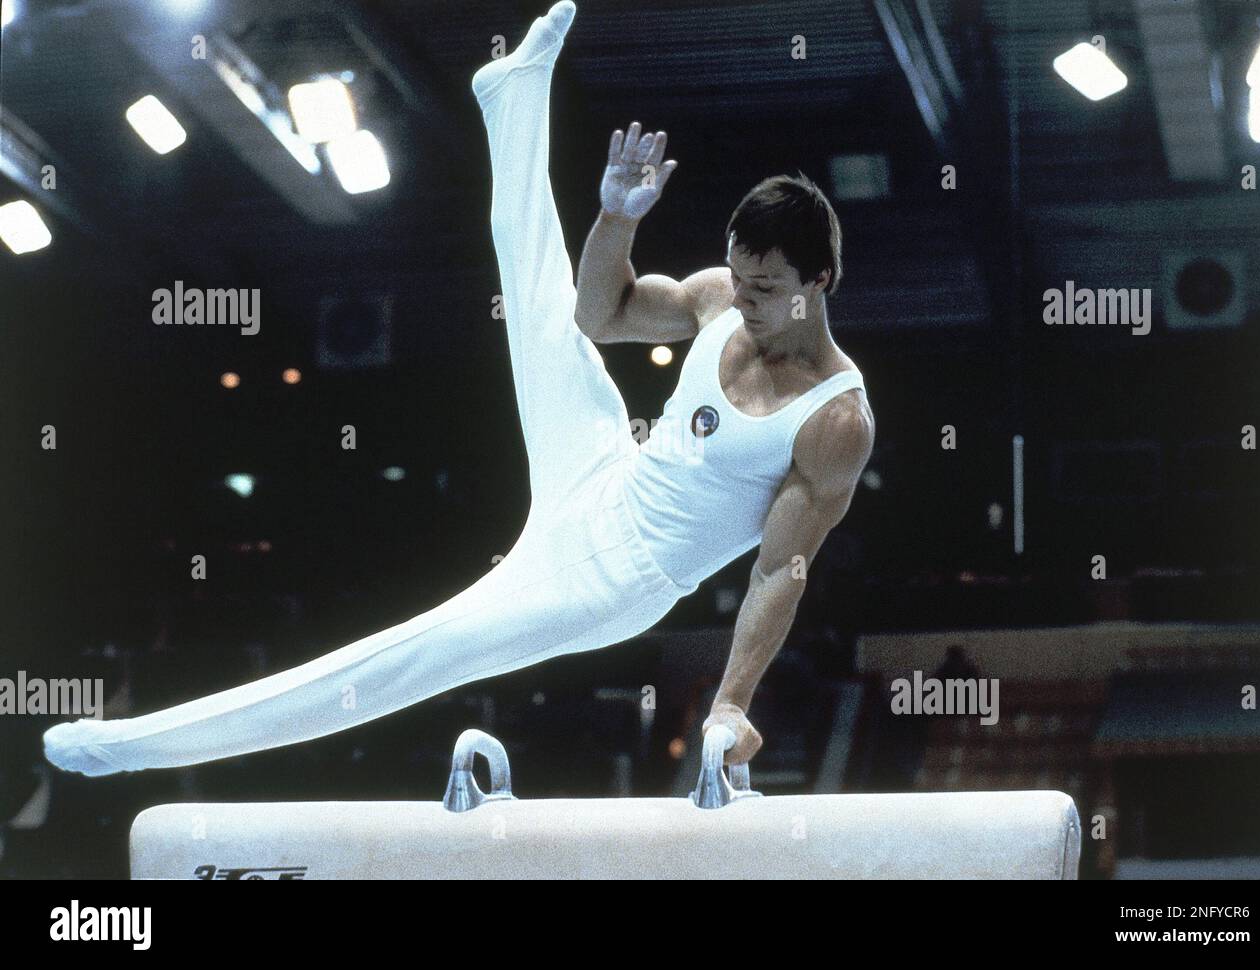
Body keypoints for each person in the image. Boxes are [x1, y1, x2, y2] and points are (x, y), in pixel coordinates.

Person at [43, 0, 873, 777]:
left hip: (611, 577)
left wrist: (731, 700)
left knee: (411, 657)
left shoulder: (834, 420)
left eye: (767, 289)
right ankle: (513, 97)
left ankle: (132, 748)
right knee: (537, 302)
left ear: (822, 279)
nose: (746, 299)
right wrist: (617, 217)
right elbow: (600, 313)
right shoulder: (721, 298)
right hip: (603, 468)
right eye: (739, 277)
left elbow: (779, 572)